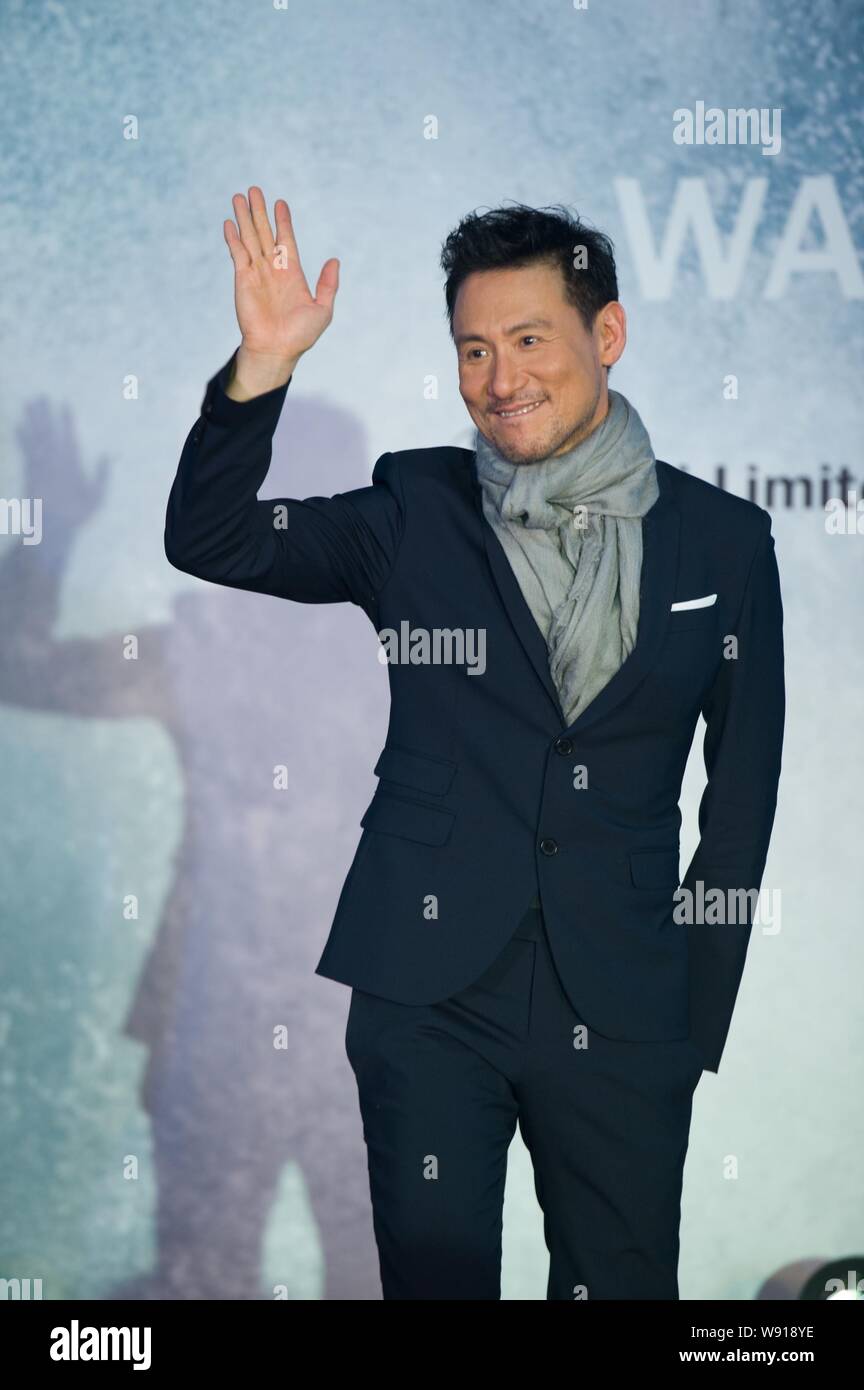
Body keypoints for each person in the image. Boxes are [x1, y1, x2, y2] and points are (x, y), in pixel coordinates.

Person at [165, 187, 785, 1299]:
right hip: (428, 996)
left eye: (531, 340)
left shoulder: (726, 544)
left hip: (628, 1010)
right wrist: (259, 367)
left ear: (608, 335)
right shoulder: (416, 508)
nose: (502, 379)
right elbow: (210, 538)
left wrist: (691, 1023)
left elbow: (740, 805)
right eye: (474, 349)